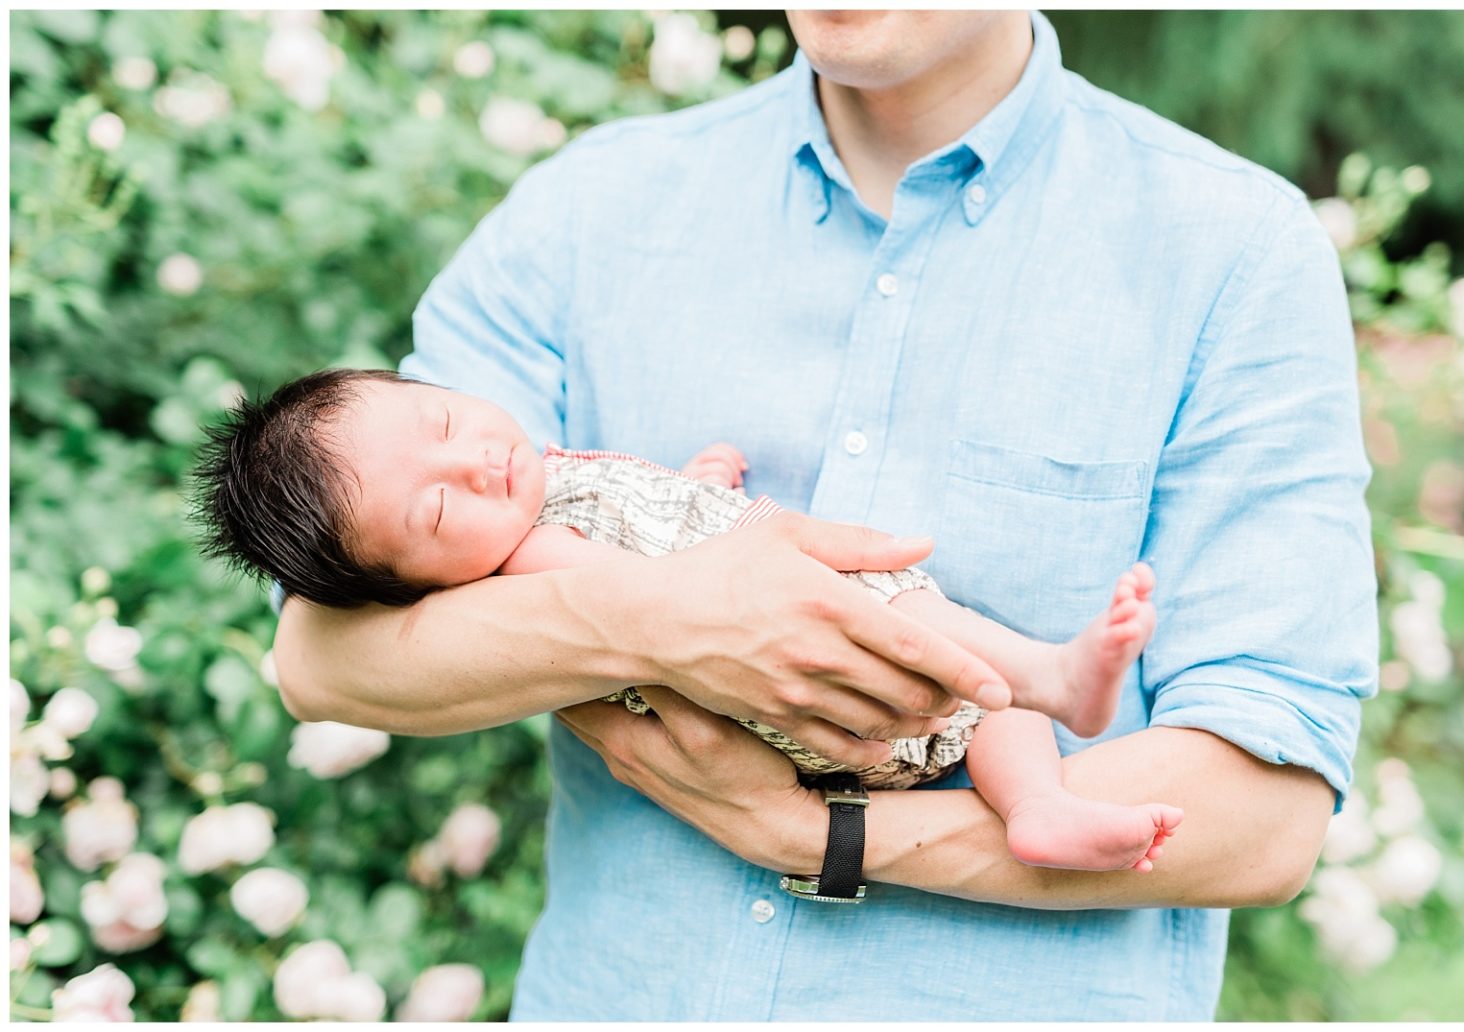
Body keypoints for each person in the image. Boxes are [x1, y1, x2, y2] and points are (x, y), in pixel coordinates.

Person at [272, 9, 1378, 1021]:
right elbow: (327, 653)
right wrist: (666, 621)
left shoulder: (1231, 249)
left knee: (1004, 692)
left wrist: (824, 836)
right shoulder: (587, 210)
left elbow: (1264, 815)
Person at [196, 367, 1179, 871]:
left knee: (978, 707)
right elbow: (664, 599)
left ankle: (1036, 806)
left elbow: (658, 535)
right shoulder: (533, 560)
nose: (475, 464)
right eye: (440, 510)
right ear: (413, 584)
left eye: (444, 422)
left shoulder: (548, 488)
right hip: (822, 668)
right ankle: (1054, 678)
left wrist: (699, 487)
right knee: (936, 624)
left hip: (837, 726)